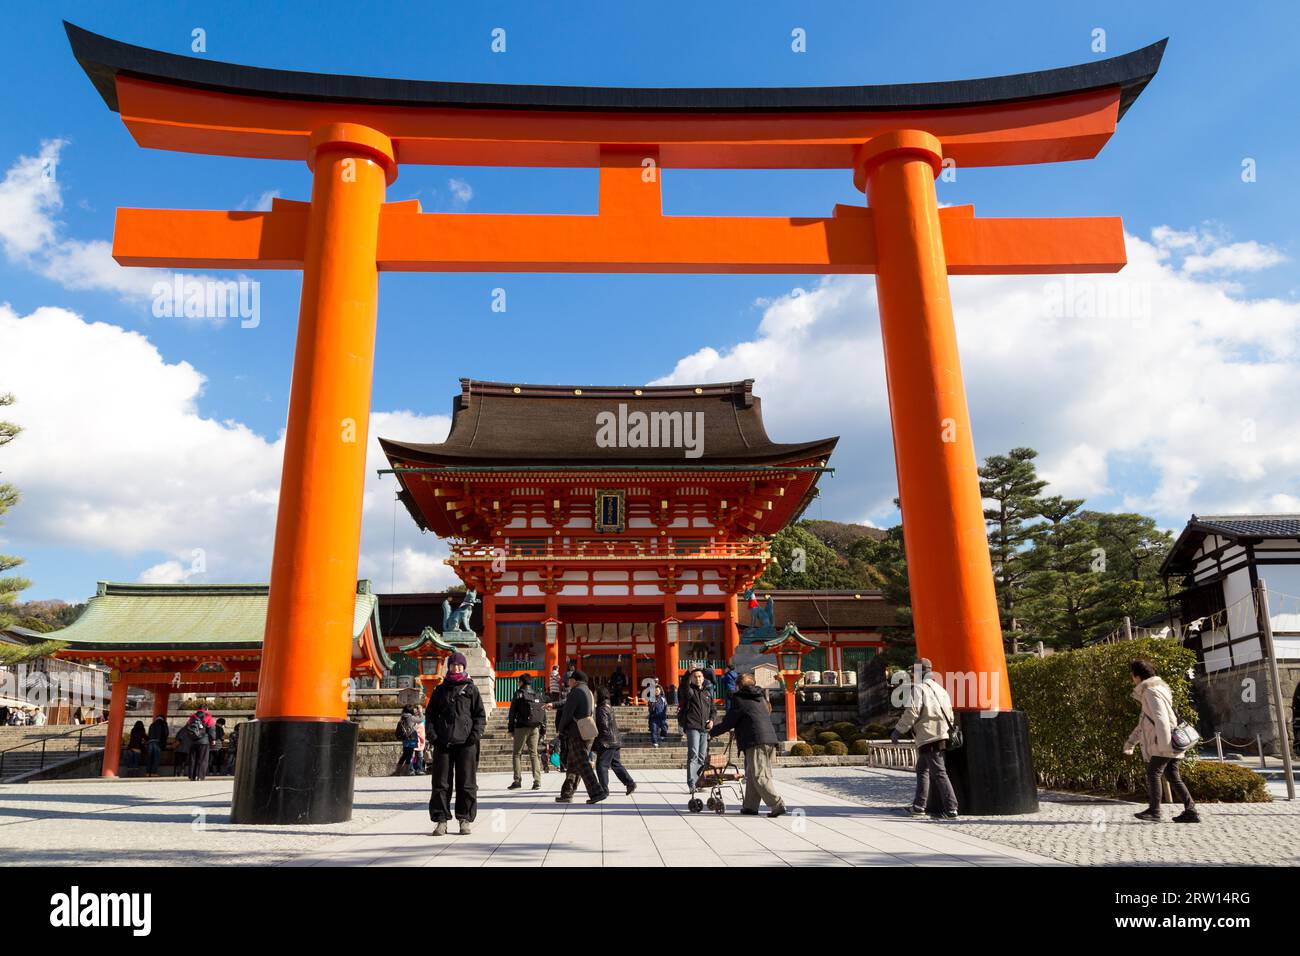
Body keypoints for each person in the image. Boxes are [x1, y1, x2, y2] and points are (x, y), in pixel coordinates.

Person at [1125, 658, 1199, 823]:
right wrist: (1131, 742)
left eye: (1132, 675)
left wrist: (1165, 746)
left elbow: (1161, 718)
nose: (1131, 678)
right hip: (1167, 739)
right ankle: (1191, 810)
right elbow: (1145, 720)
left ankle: (1155, 811)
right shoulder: (1159, 689)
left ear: (1137, 676)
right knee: (1173, 775)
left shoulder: (1150, 692)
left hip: (1163, 741)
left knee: (1153, 772)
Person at [426, 653, 486, 836]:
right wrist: (433, 736)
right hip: (443, 743)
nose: (456, 668)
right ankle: (441, 820)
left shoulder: (471, 690)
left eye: (460, 665)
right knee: (440, 783)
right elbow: (430, 715)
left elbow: (480, 716)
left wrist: (474, 736)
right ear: (448, 667)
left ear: (464, 667)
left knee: (467, 783)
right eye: (453, 665)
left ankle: (464, 819)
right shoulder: (440, 690)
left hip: (466, 744)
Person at [710, 673, 786, 817]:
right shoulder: (760, 697)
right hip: (769, 739)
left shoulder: (740, 699)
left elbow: (729, 721)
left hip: (755, 740)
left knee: (759, 775)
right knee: (752, 773)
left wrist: (713, 731)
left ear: (738, 685)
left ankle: (777, 804)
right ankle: (750, 806)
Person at [892, 658, 958, 819]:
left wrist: (898, 730)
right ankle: (919, 806)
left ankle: (951, 808)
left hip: (928, 736)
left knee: (939, 772)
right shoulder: (941, 690)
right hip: (941, 734)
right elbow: (950, 714)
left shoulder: (919, 689)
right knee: (922, 769)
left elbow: (912, 712)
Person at [554, 669, 605, 804]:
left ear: (574, 681)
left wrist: (560, 728)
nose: (568, 682)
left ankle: (597, 792)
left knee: (582, 764)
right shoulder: (587, 691)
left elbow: (567, 713)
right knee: (573, 764)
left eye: (569, 680)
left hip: (577, 733)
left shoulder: (575, 692)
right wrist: (553, 705)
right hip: (587, 731)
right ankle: (567, 793)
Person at [594, 686, 637, 796]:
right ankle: (630, 783)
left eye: (595, 694)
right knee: (616, 764)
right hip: (615, 739)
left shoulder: (601, 708)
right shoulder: (608, 706)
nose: (594, 696)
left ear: (599, 695)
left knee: (601, 765)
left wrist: (598, 738)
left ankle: (604, 790)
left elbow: (603, 726)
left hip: (607, 741)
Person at [678, 668, 716, 791]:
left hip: (704, 728)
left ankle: (699, 782)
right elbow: (684, 685)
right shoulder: (690, 692)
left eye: (700, 676)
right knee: (693, 754)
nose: (698, 679)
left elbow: (713, 710)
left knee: (701, 756)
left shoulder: (707, 693)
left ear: (703, 678)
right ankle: (692, 783)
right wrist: (688, 673)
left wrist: (711, 720)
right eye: (695, 677)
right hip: (692, 726)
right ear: (692, 679)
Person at [507, 674, 546, 791]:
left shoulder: (518, 694)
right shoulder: (537, 694)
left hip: (521, 727)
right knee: (534, 754)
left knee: (517, 754)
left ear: (521, 682)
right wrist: (543, 728)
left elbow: (512, 712)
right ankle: (537, 781)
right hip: (535, 728)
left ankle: (517, 780)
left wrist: (510, 729)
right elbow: (543, 713)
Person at [184, 706, 215, 781]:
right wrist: (213, 739)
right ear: (206, 709)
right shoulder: (208, 717)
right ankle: (200, 776)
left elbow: (187, 727)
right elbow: (211, 729)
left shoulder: (192, 717)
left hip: (193, 741)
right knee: (203, 759)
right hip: (204, 741)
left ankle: (192, 776)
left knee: (193, 759)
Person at [394, 705, 421, 776]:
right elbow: (421, 719)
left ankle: (398, 771)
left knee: (405, 754)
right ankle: (406, 771)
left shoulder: (402, 717)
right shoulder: (411, 718)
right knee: (410, 755)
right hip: (411, 738)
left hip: (405, 738)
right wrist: (420, 712)